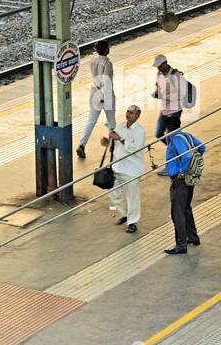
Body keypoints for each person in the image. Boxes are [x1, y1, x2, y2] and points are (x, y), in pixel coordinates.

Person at [163, 126, 206, 255]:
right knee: (186, 208)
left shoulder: (175, 139)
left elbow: (186, 156)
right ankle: (193, 237)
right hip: (189, 179)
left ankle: (181, 244)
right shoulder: (186, 135)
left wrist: (182, 171)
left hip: (180, 180)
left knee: (177, 213)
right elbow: (202, 147)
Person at [103, 104, 145, 233]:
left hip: (131, 169)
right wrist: (107, 142)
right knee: (112, 191)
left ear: (137, 115)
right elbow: (114, 145)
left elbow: (135, 148)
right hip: (117, 167)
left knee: (133, 196)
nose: (128, 114)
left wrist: (120, 138)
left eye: (131, 113)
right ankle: (124, 213)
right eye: (127, 111)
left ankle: (132, 222)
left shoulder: (139, 131)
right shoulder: (120, 126)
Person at [78, 40, 116, 159]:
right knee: (111, 121)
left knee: (91, 121)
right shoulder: (107, 64)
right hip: (106, 97)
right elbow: (106, 82)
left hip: (94, 94)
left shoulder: (93, 60)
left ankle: (82, 145)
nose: (109, 48)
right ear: (106, 50)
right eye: (108, 47)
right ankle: (112, 146)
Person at [151, 54, 191, 161]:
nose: (158, 68)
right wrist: (156, 93)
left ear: (165, 63)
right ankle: (177, 151)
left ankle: (177, 158)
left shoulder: (176, 75)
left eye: (160, 65)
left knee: (172, 137)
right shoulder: (159, 74)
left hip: (174, 111)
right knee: (159, 134)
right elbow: (158, 87)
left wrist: (164, 96)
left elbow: (182, 94)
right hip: (164, 110)